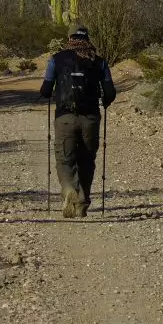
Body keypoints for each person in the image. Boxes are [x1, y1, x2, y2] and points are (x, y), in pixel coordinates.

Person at [40, 25, 116, 218]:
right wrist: (104, 102)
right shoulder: (99, 62)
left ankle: (68, 189)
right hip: (90, 119)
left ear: (69, 38)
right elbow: (110, 93)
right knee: (87, 160)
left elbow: (45, 91)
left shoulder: (57, 59)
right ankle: (82, 203)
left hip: (65, 118)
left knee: (65, 158)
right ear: (87, 39)